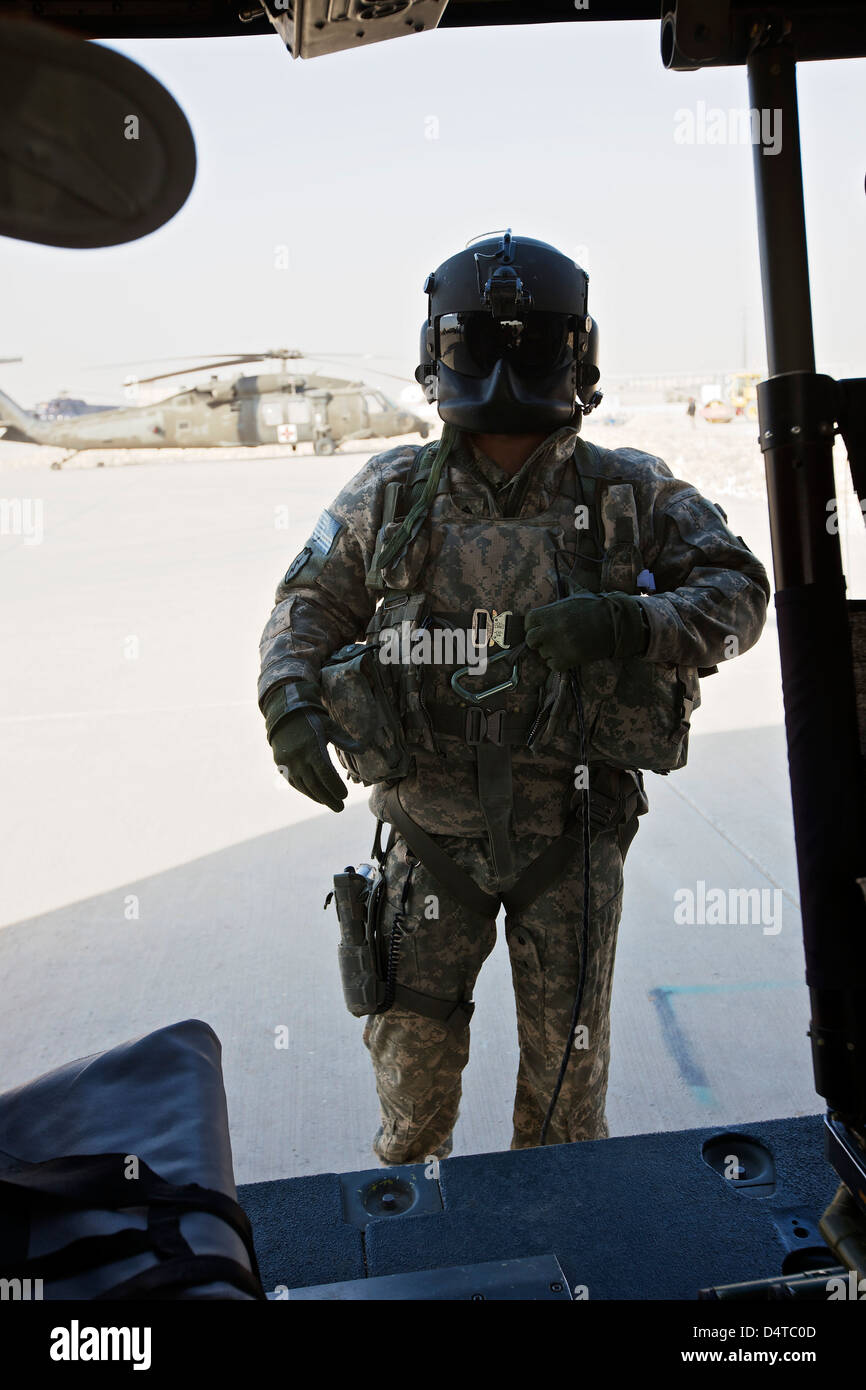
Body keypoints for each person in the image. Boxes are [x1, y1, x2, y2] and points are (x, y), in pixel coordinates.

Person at [258, 232, 770, 1165]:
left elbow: (741, 598)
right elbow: (308, 603)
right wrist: (288, 699)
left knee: (567, 1110)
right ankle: (417, 1249)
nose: (502, 367)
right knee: (412, 1103)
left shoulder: (629, 489)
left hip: (572, 844)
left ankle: (562, 1249)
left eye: (524, 343)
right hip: (429, 840)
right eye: (480, 344)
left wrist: (627, 623)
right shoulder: (394, 491)